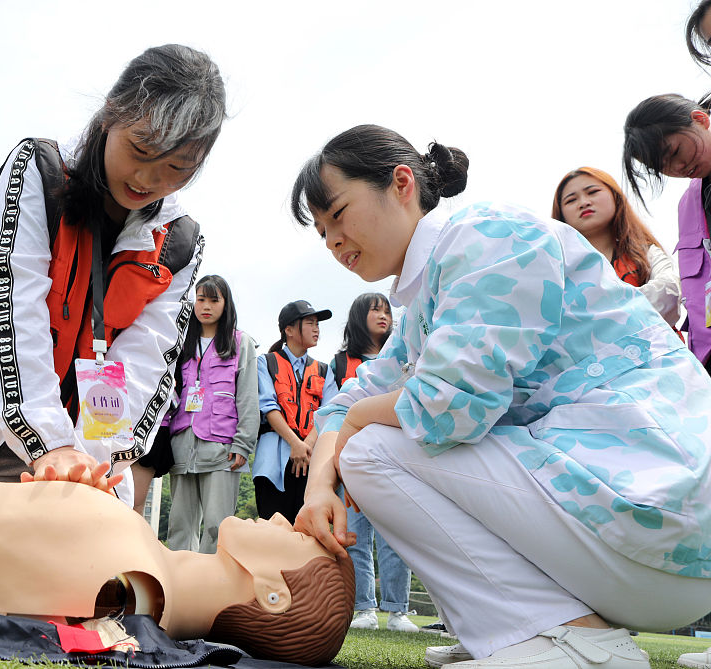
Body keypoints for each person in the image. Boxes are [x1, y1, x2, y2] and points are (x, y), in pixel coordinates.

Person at [291, 123, 711, 669]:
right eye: (321, 231)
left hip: (664, 517)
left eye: (338, 215)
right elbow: (345, 403)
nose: (332, 242)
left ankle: (566, 639)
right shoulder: (424, 305)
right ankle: (522, 633)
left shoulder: (486, 233)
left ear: (400, 183)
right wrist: (319, 485)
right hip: (647, 541)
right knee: (368, 438)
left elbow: (450, 404)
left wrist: (351, 431)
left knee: (371, 449)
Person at [0, 44, 226, 501]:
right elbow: (10, 307)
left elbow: (149, 360)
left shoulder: (182, 241)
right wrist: (49, 442)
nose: (147, 179)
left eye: (177, 169)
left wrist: (89, 459)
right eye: (140, 150)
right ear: (109, 115)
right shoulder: (38, 171)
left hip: (90, 453)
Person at [0, 481, 355, 667]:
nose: (285, 517)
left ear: (273, 594)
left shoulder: (119, 556)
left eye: (298, 538)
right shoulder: (126, 553)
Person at [329, 292, 417, 633]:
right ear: (357, 317)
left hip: (396, 454)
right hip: (351, 457)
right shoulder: (340, 362)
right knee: (355, 535)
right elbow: (331, 408)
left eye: (386, 310)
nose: (384, 316)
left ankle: (398, 611)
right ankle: (362, 607)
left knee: (396, 534)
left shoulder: (410, 354)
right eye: (374, 310)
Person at [163, 275, 258, 553]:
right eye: (200, 299)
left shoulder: (241, 343)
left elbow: (248, 398)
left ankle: (211, 589)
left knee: (218, 527)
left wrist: (243, 444)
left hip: (222, 448)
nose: (206, 306)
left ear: (225, 304)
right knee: (180, 525)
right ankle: (180, 587)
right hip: (182, 445)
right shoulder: (180, 342)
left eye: (214, 300)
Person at [623, 93, 711, 374]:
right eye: (662, 167)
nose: (677, 168)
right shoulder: (690, 204)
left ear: (700, 120)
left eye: (674, 152)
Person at [551, 167, 681, 327]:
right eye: (571, 200)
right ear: (561, 214)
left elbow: (669, 290)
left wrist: (596, 313)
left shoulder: (645, 253)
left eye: (592, 192)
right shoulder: (559, 269)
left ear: (615, 196)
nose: (584, 203)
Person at [253, 300, 334, 525]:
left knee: (307, 534)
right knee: (272, 533)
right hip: (272, 462)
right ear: (288, 329)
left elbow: (330, 413)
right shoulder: (266, 362)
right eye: (310, 323)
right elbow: (268, 406)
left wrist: (305, 446)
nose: (316, 328)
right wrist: (295, 443)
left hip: (312, 461)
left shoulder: (324, 370)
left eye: (317, 323)